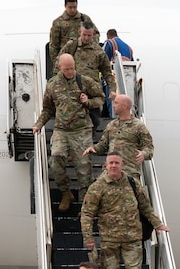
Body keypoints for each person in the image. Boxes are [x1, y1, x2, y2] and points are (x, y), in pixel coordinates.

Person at [80, 152, 169, 269]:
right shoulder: (98, 187)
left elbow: (145, 207)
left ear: (122, 165)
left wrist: (158, 224)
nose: (113, 166)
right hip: (109, 241)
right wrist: (88, 237)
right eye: (110, 163)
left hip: (132, 239)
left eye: (117, 163)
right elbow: (87, 213)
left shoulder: (132, 184)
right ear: (106, 166)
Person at [32, 53, 103, 212]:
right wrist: (39, 124)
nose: (71, 72)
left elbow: (101, 98)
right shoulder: (52, 85)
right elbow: (48, 109)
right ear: (59, 68)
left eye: (72, 68)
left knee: (84, 169)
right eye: (67, 69)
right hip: (61, 130)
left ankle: (86, 209)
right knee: (56, 159)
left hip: (82, 130)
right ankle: (66, 192)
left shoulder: (84, 81)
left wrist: (89, 102)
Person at [86, 94, 154, 179]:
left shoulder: (138, 126)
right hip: (109, 171)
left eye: (116, 103)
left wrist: (143, 154)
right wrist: (93, 149)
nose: (113, 106)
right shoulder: (111, 125)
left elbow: (149, 148)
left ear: (125, 106)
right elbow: (103, 145)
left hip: (128, 172)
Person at [62, 21, 118, 119]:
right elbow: (59, 65)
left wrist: (112, 90)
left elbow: (107, 73)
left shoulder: (99, 52)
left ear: (93, 34)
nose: (86, 38)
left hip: (93, 92)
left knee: (93, 121)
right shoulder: (71, 46)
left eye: (89, 35)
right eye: (84, 35)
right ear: (80, 32)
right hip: (73, 90)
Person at [47, 0, 93, 67]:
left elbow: (95, 33)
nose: (73, 10)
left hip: (84, 59)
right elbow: (53, 46)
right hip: (66, 58)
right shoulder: (58, 22)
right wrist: (58, 63)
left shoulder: (84, 19)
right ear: (65, 6)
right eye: (70, 7)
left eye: (75, 7)